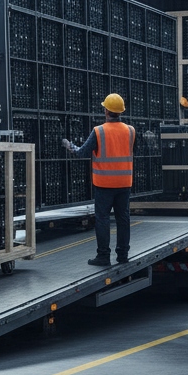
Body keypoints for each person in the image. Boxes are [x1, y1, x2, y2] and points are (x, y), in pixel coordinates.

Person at [61, 93, 136, 266]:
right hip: (124, 183)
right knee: (123, 218)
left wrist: (68, 145)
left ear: (107, 111)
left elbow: (81, 153)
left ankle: (103, 256)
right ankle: (123, 255)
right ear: (121, 112)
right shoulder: (131, 131)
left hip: (104, 184)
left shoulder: (99, 131)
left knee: (102, 219)